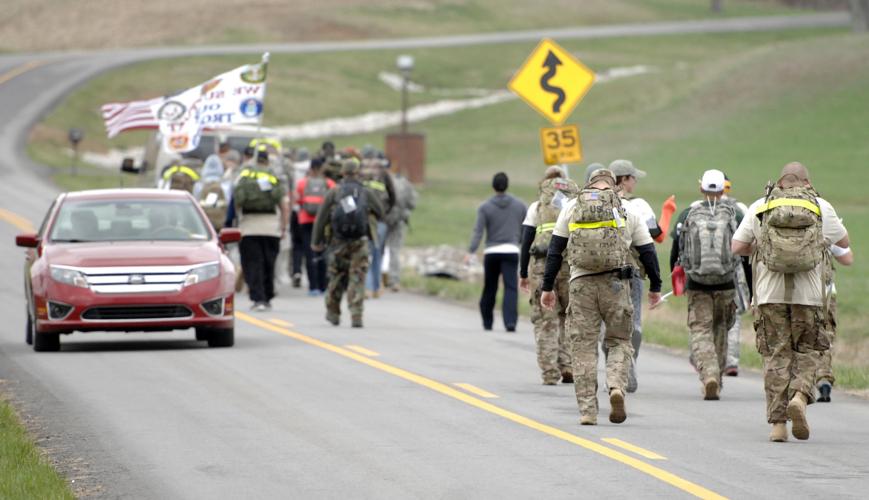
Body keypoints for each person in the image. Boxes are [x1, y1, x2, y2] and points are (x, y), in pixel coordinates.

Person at [732, 162, 852, 442]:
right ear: (807, 183)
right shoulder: (821, 206)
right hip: (809, 297)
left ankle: (778, 425)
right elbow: (844, 244)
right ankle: (799, 395)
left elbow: (736, 247)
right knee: (809, 351)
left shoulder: (760, 206)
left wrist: (762, 247)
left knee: (776, 356)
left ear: (780, 183)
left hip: (769, 295)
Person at [541, 168, 662, 426]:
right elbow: (647, 250)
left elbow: (554, 251)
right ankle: (616, 386)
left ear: (590, 185)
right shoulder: (627, 209)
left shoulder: (573, 205)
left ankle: (587, 410)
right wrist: (655, 286)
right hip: (617, 284)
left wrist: (548, 287)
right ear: (613, 185)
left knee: (583, 347)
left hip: (580, 284)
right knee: (619, 341)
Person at [670, 169, 742, 400]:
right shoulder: (736, 214)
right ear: (723, 189)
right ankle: (717, 377)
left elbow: (676, 251)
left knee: (701, 331)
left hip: (697, 282)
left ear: (701, 188)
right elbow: (747, 255)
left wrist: (677, 276)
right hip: (727, 282)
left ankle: (709, 374)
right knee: (721, 329)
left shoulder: (688, 214)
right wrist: (750, 287)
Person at [606, 159, 664, 393]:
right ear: (624, 180)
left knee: (608, 325)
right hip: (634, 274)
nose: (636, 181)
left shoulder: (598, 202)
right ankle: (628, 366)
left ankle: (612, 371)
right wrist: (656, 282)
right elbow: (653, 237)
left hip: (604, 274)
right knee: (635, 324)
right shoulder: (639, 205)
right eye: (633, 177)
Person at [519, 166, 578, 385]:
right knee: (568, 317)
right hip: (570, 266)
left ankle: (550, 373)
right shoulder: (573, 204)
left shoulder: (537, 206)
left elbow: (527, 240)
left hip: (543, 266)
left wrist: (523, 272)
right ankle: (568, 365)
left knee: (546, 321)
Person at [311, 158, 384, 328]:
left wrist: (316, 241)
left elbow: (321, 218)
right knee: (357, 277)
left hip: (338, 242)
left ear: (342, 173)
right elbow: (381, 211)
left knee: (336, 276)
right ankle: (356, 315)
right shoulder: (366, 192)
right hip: (360, 241)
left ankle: (333, 313)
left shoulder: (334, 192)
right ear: (358, 172)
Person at [466, 172, 527, 332]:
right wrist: (519, 241)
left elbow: (478, 232)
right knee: (511, 287)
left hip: (492, 252)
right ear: (507, 185)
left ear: (493, 186)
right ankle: (510, 322)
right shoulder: (520, 205)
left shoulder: (485, 207)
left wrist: (471, 250)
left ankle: (487, 321)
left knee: (490, 287)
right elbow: (526, 228)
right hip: (511, 251)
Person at [233, 146, 290, 311]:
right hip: (271, 228)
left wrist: (237, 221)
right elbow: (283, 206)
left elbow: (237, 202)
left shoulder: (244, 175)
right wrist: (283, 226)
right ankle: (267, 295)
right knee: (269, 263)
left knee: (252, 263)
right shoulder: (273, 176)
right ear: (267, 160)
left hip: (249, 227)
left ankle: (258, 298)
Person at [721, 174, 751, 377]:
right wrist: (751, 286)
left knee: (703, 320)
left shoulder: (695, 208)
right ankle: (731, 361)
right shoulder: (741, 210)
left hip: (700, 275)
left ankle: (707, 360)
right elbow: (749, 249)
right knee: (734, 318)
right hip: (734, 273)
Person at [815, 242, 852, 402]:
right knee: (825, 336)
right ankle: (823, 379)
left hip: (793, 293)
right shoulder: (828, 220)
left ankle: (795, 385)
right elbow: (847, 258)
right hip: (826, 292)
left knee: (798, 338)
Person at [296, 157, 335, 296]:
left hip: (305, 221)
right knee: (323, 253)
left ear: (310, 168)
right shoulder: (329, 183)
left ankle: (313, 287)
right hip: (323, 221)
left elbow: (297, 199)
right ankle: (323, 285)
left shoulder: (302, 183)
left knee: (309, 253)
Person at [360, 151, 396, 298]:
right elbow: (393, 197)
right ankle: (375, 287)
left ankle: (370, 287)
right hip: (380, 221)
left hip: (368, 220)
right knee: (376, 253)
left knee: (368, 253)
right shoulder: (383, 175)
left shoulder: (362, 175)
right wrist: (385, 212)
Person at [382, 157, 418, 291]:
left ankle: (377, 281)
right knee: (394, 250)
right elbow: (412, 203)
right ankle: (394, 280)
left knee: (378, 250)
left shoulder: (379, 182)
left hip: (382, 220)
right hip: (399, 220)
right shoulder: (403, 182)